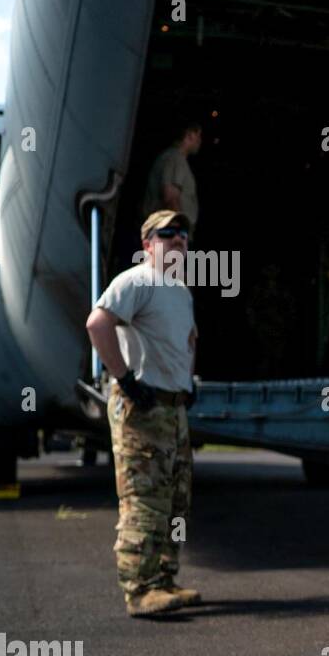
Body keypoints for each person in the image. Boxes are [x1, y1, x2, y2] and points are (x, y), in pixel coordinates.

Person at [85, 210, 201, 617]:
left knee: (175, 501)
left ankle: (163, 578)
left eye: (184, 236)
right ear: (147, 244)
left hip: (172, 409)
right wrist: (125, 378)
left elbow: (187, 340)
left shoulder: (180, 291)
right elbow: (98, 324)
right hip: (143, 408)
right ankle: (139, 590)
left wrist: (188, 382)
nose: (179, 241)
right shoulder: (136, 281)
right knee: (145, 501)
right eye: (167, 234)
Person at [143, 121, 202, 242]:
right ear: (189, 135)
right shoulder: (176, 159)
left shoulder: (172, 157)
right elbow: (170, 198)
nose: (200, 141)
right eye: (198, 135)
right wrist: (181, 233)